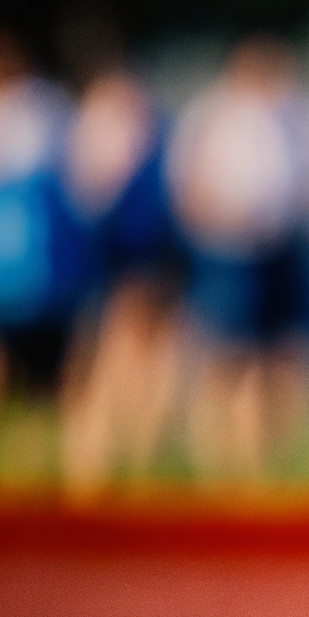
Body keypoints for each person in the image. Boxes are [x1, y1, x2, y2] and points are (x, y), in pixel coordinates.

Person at [167, 35, 309, 482]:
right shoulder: (213, 115)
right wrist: (231, 219)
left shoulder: (296, 115)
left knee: (285, 353)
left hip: (281, 245)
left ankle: (268, 455)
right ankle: (217, 457)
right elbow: (188, 190)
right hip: (228, 251)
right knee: (226, 357)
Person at [60, 55, 187, 492]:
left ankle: (123, 465)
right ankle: (97, 468)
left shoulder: (143, 137)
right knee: (108, 369)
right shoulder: (111, 138)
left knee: (134, 368)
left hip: (135, 267)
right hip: (115, 268)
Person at [0, 31, 92, 470]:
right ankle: (63, 470)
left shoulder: (16, 115)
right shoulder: (54, 110)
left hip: (15, 271)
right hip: (49, 275)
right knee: (55, 381)